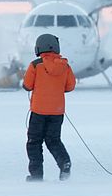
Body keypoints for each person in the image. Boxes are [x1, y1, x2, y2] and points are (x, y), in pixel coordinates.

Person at [22, 33, 76, 182]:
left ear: (39, 47)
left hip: (38, 111)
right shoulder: (65, 66)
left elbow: (27, 85)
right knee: (54, 140)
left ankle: (36, 175)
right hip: (57, 112)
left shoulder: (35, 65)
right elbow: (70, 86)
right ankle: (64, 162)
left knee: (34, 142)